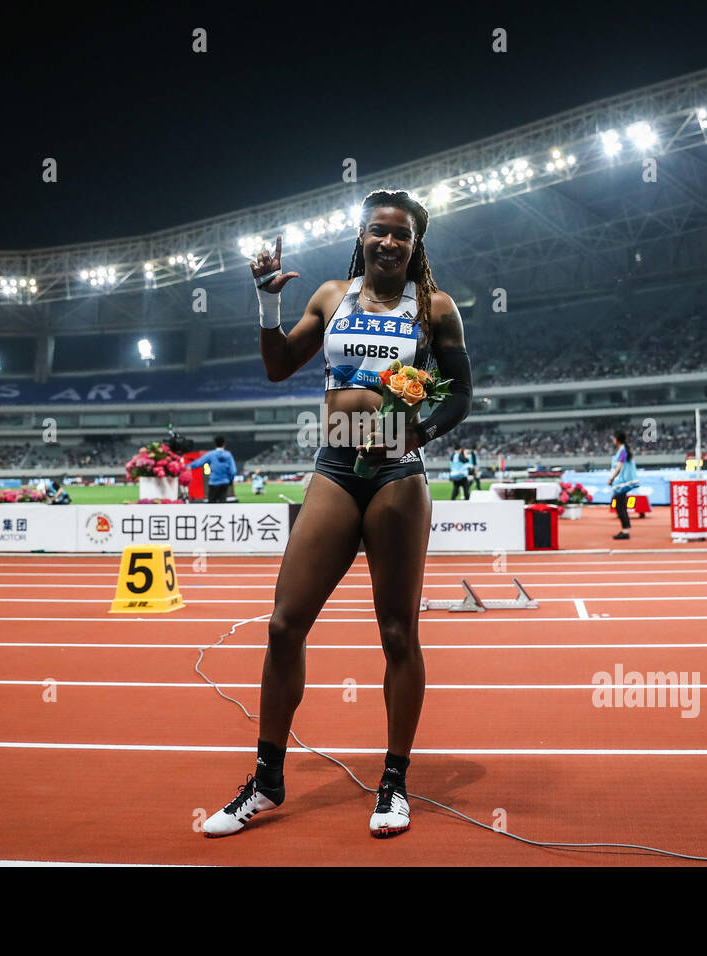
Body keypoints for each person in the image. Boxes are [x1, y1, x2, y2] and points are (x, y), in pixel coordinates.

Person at [204, 189, 471, 839]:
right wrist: (268, 300)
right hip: (333, 466)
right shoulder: (330, 296)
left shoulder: (435, 308)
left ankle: (394, 783)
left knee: (398, 635)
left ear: (415, 245)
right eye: (378, 232)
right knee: (283, 625)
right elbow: (276, 367)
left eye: (401, 236)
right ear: (363, 236)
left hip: (396, 476)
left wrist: (421, 434)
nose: (388, 242)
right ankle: (266, 782)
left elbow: (459, 393)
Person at [606, 430, 638, 540]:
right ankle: (626, 528)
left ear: (617, 440)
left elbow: (619, 466)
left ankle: (625, 531)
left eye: (614, 438)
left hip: (621, 483)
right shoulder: (623, 450)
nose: (613, 440)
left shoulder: (623, 451)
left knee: (620, 507)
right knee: (621, 506)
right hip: (620, 482)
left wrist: (611, 478)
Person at [190, 436, 238, 503]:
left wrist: (187, 466)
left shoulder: (211, 454)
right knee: (223, 503)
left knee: (211, 504)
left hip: (213, 482)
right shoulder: (228, 455)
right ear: (224, 444)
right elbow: (233, 471)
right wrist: (230, 479)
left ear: (215, 444)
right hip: (224, 482)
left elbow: (199, 463)